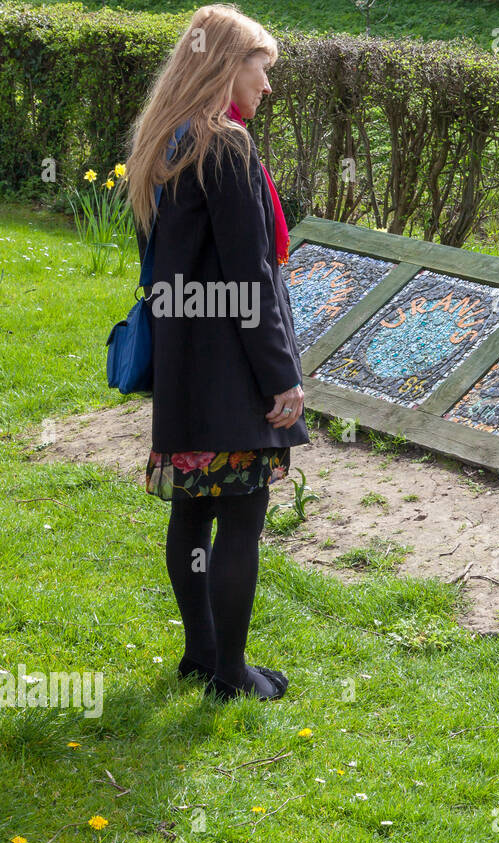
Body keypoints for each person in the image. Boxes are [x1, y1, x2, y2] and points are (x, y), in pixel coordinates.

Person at [124, 4, 308, 702]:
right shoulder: (225, 145)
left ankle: (202, 655)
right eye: (261, 70)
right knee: (240, 513)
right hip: (232, 366)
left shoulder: (163, 143)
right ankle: (230, 674)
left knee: (194, 510)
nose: (267, 87)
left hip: (185, 362)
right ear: (226, 65)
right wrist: (281, 374)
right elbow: (249, 272)